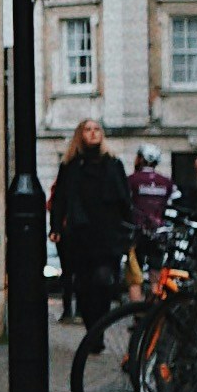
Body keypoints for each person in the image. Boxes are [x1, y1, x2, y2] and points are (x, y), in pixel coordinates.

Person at [52, 117, 135, 332]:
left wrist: (130, 228)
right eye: (88, 129)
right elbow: (60, 198)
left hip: (108, 233)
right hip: (80, 234)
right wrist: (56, 228)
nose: (93, 133)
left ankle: (99, 327)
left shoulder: (113, 163)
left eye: (97, 129)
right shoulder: (71, 166)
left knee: (104, 280)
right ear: (80, 134)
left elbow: (125, 199)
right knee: (83, 283)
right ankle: (92, 328)